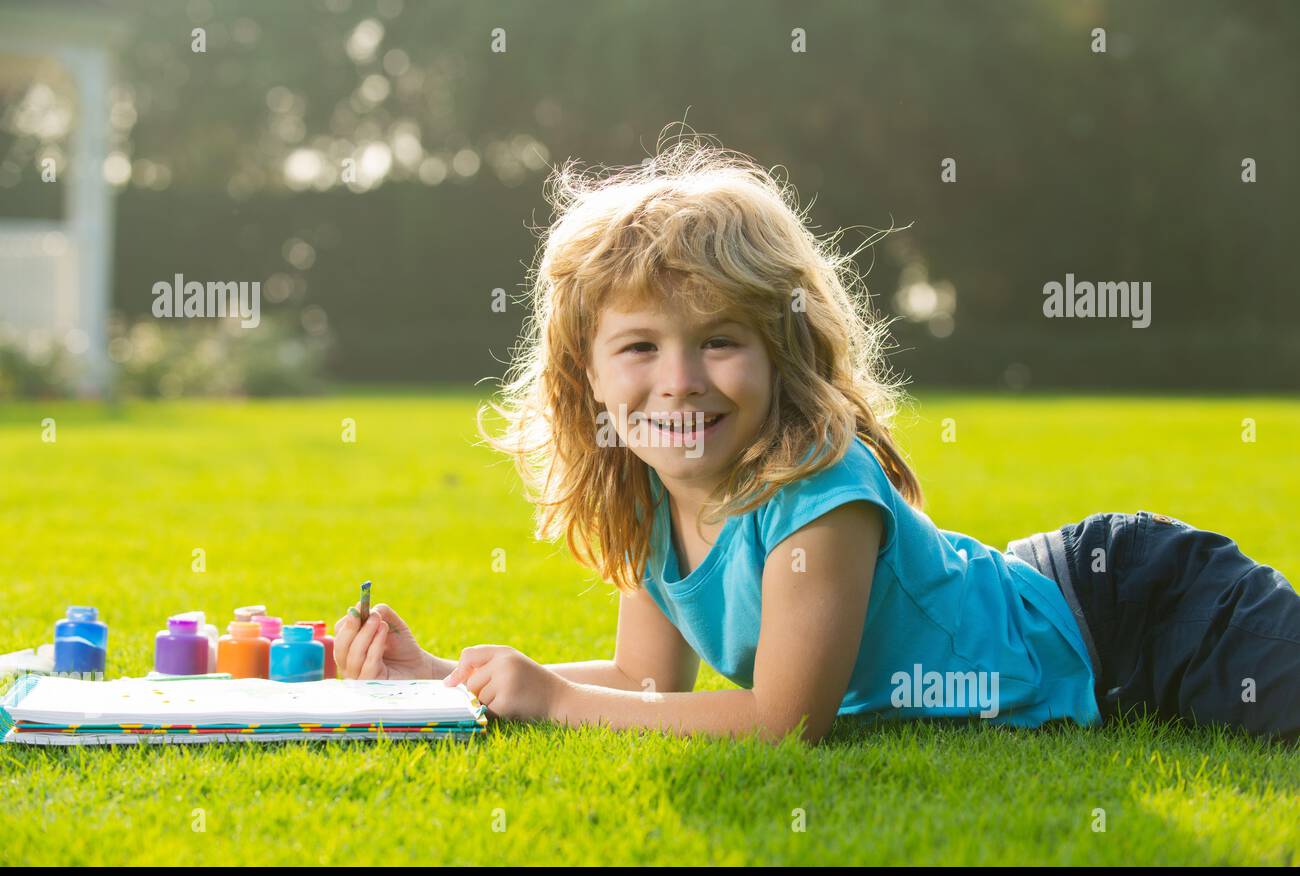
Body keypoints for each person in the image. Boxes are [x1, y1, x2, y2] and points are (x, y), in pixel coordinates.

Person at [333, 136, 1300, 745]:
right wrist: (452, 679)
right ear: (587, 372)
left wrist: (551, 700)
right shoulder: (651, 497)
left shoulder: (817, 488)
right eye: (640, 347)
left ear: (780, 353)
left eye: (719, 341)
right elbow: (643, 683)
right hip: (1076, 626)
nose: (679, 379)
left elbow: (780, 720)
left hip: (1130, 606)